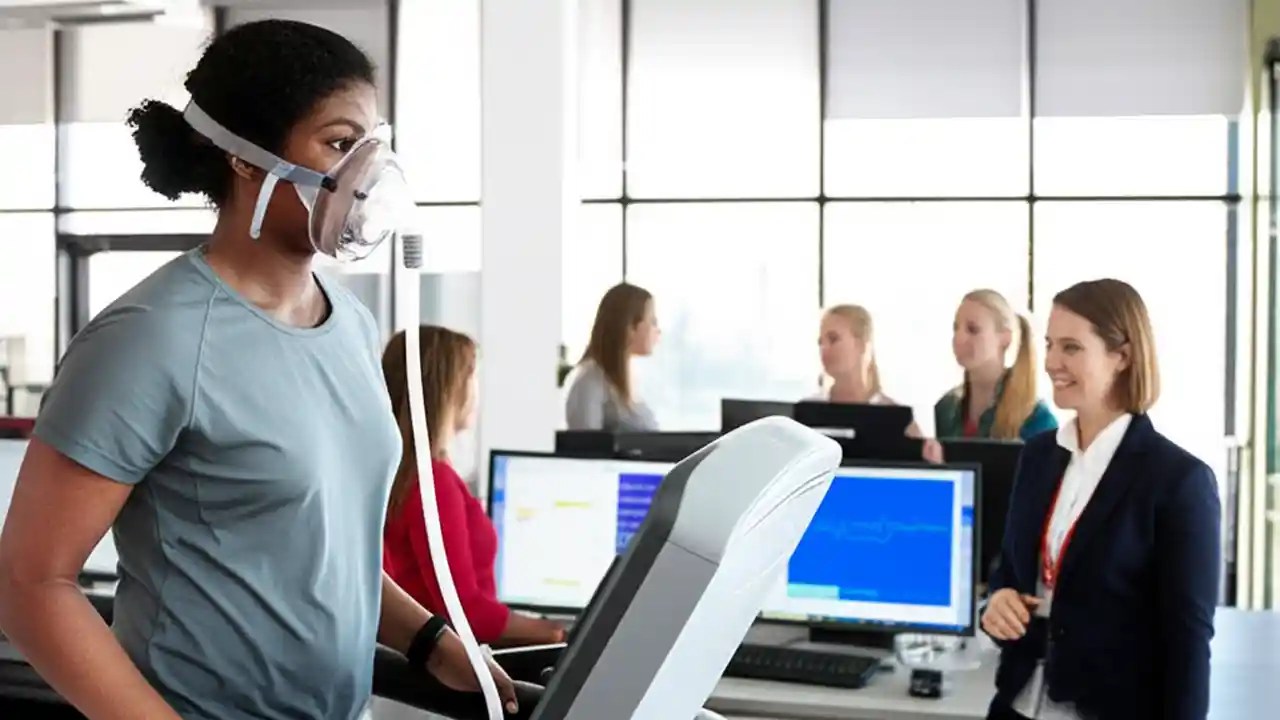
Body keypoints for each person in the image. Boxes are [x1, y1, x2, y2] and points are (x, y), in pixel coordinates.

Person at [0, 20, 518, 720]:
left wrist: (428, 640)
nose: (366, 172)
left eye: (372, 144)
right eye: (339, 143)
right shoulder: (150, 339)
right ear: (246, 160)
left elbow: (326, 547)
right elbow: (31, 583)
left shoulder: (351, 325)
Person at [981, 279, 1220, 720]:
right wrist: (995, 604)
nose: (1052, 361)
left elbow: (1187, 644)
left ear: (1122, 357)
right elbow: (1008, 573)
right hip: (1015, 704)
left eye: (1071, 348)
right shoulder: (1037, 456)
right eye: (1050, 344)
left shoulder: (1178, 481)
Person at [381, 326, 565, 647]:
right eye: (471, 375)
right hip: (450, 664)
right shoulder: (433, 482)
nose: (477, 389)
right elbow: (465, 611)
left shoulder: (403, 472)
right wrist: (558, 633)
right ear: (449, 389)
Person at [934, 289, 1057, 440]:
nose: (959, 338)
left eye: (973, 330)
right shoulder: (945, 409)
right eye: (956, 328)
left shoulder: (1037, 420)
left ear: (1005, 338)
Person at [564, 282, 660, 431]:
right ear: (630, 327)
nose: (658, 330)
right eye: (652, 321)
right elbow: (584, 445)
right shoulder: (589, 378)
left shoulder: (628, 380)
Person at [811, 304, 896, 404]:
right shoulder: (804, 413)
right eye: (820, 343)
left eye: (833, 339)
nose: (824, 349)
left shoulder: (896, 416)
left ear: (861, 344)